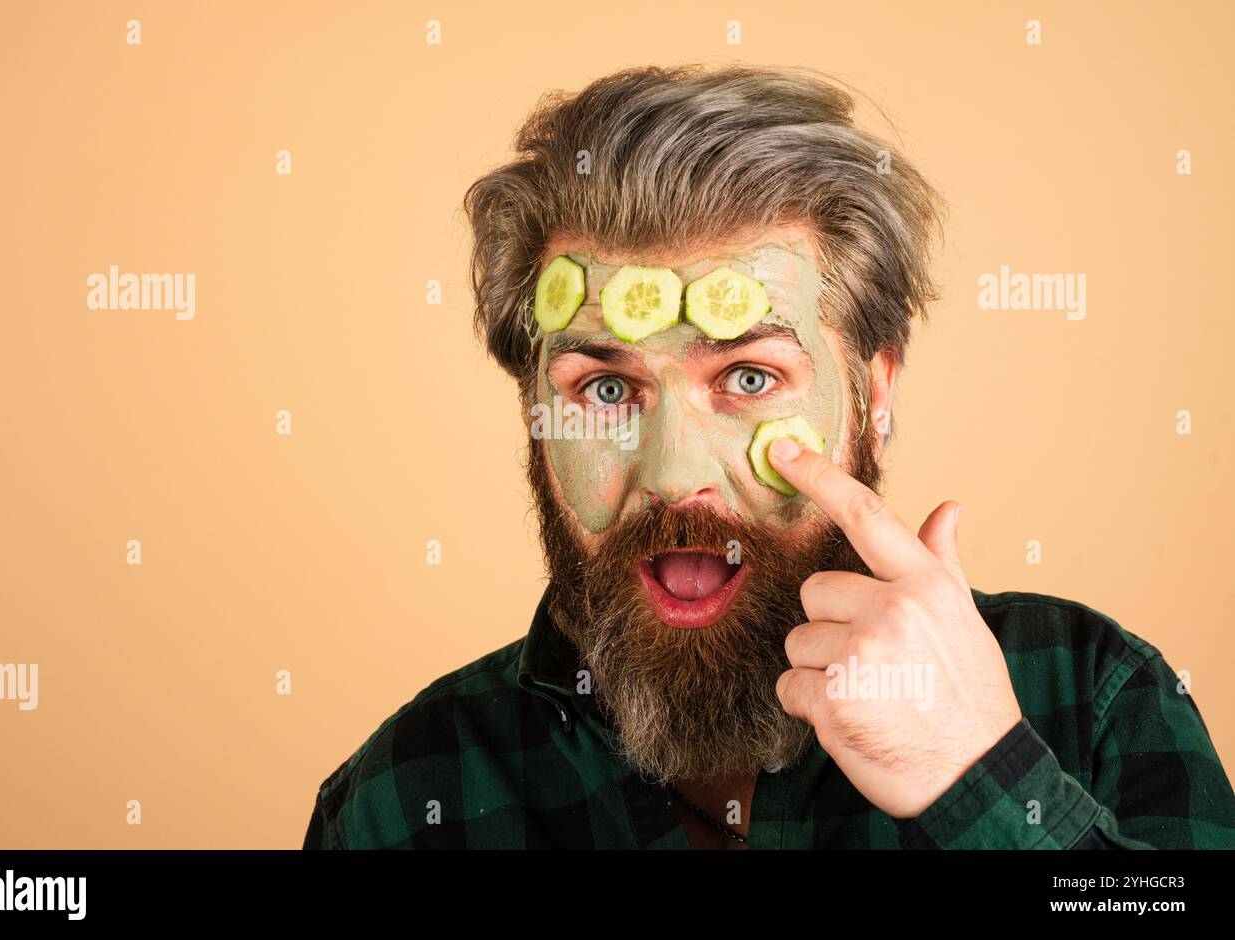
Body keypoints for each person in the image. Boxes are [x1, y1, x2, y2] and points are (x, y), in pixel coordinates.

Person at [303, 64, 1235, 849]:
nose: (674, 474)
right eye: (605, 389)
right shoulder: (403, 796)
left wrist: (979, 777)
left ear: (874, 396)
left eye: (749, 378)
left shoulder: (1093, 699)